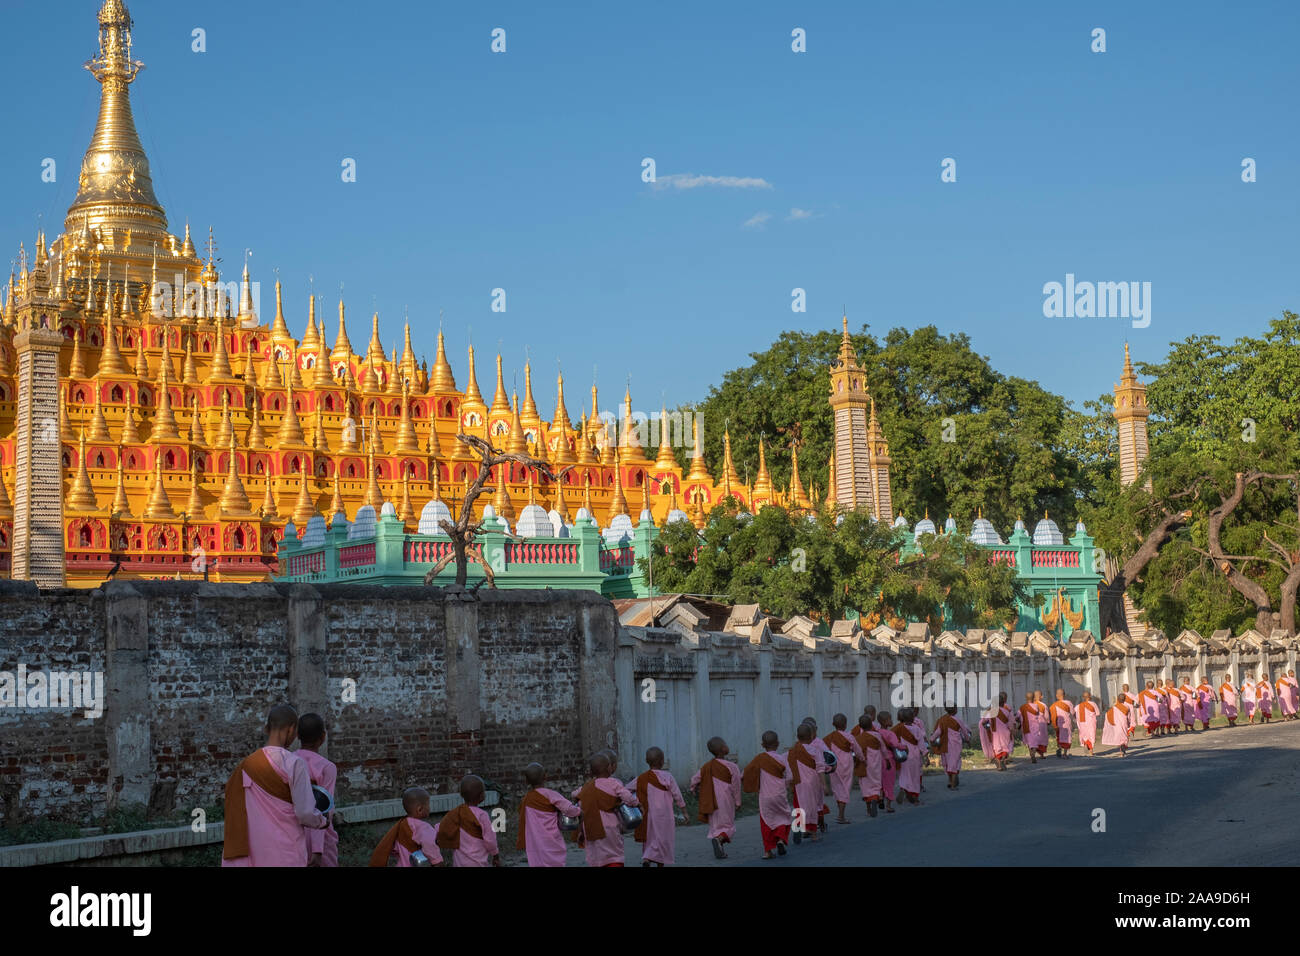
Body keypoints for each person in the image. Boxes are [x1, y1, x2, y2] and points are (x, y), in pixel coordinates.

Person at [222, 704, 328, 867]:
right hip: (287, 850)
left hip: (257, 851)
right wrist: (322, 821)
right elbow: (304, 813)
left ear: (267, 728)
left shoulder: (248, 764)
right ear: (292, 729)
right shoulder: (294, 763)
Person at [573, 752, 638, 867]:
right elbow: (628, 797)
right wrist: (637, 804)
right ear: (609, 768)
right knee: (614, 854)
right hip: (610, 826)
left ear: (592, 772)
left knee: (596, 853)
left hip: (590, 827)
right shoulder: (614, 783)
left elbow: (575, 795)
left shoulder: (587, 787)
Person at [516, 762, 582, 867]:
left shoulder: (526, 800)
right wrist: (579, 810)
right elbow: (569, 809)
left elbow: (522, 814)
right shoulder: (550, 795)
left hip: (534, 844)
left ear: (526, 781)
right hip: (551, 841)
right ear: (545, 777)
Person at [293, 712, 337, 867]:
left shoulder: (289, 761)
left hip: (293, 834)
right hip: (321, 838)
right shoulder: (327, 767)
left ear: (297, 735)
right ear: (323, 737)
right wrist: (317, 851)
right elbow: (323, 809)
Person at [742, 731, 793, 860]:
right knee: (784, 816)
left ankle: (768, 851)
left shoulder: (759, 759)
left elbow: (745, 773)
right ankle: (781, 839)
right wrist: (785, 786)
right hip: (780, 795)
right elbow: (790, 777)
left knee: (766, 821)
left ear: (762, 744)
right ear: (778, 744)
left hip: (765, 797)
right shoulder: (782, 759)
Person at [632, 746, 686, 867]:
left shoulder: (641, 778)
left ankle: (646, 857)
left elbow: (626, 789)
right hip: (665, 816)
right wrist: (684, 810)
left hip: (649, 815)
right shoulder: (667, 777)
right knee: (663, 838)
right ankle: (659, 862)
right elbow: (677, 794)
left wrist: (631, 800)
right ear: (662, 761)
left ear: (647, 761)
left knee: (650, 837)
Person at [690, 737, 742, 859]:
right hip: (725, 801)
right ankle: (719, 840)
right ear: (724, 749)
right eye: (725, 743)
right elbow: (736, 785)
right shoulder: (731, 766)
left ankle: (720, 849)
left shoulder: (707, 766)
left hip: (711, 801)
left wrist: (693, 790)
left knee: (716, 827)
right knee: (729, 826)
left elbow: (694, 779)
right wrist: (738, 801)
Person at [433, 774, 500, 867]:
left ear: (461, 795)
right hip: (478, 863)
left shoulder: (456, 813)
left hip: (459, 863)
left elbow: (442, 827)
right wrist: (495, 855)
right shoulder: (482, 815)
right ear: (481, 796)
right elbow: (490, 840)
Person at [369, 787, 442, 867]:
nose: (429, 808)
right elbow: (430, 845)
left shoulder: (402, 825)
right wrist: (437, 862)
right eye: (428, 804)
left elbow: (395, 849)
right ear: (420, 809)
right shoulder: (423, 827)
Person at [787, 723, 828, 841]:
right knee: (812, 807)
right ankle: (813, 834)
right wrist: (824, 784)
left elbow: (789, 768)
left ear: (797, 737)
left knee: (799, 806)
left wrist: (789, 784)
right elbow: (820, 767)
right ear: (811, 737)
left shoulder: (792, 751)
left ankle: (799, 828)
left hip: (798, 783)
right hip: (813, 783)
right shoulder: (815, 750)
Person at [824, 713, 865, 824]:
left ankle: (840, 813)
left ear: (833, 724)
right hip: (846, 765)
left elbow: (823, 750)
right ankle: (841, 816)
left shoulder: (830, 737)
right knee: (845, 789)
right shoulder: (849, 736)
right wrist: (862, 758)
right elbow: (857, 750)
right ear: (846, 725)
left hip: (833, 766)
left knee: (838, 789)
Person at [928, 704, 970, 789]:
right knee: (955, 763)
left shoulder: (942, 720)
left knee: (948, 763)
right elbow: (965, 731)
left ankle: (950, 781)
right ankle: (953, 785)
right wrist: (968, 740)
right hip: (956, 746)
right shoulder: (958, 720)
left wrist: (932, 739)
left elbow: (938, 731)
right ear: (955, 709)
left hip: (945, 745)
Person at [891, 708, 924, 804]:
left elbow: (891, 738)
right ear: (913, 718)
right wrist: (925, 755)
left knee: (905, 774)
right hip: (915, 755)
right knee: (915, 776)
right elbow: (921, 743)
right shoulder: (917, 728)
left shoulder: (898, 728)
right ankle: (916, 798)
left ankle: (904, 788)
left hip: (904, 756)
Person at [853, 713, 885, 816]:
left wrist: (861, 760)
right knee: (876, 781)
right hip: (876, 763)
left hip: (864, 764)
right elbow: (883, 748)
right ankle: (877, 797)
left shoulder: (858, 738)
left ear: (860, 726)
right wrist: (888, 759)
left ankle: (868, 809)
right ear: (872, 725)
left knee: (865, 784)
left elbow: (856, 752)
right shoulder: (877, 735)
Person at [982, 692, 1014, 771]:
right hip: (1005, 733)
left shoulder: (990, 711)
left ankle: (999, 763)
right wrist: (1012, 731)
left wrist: (987, 727)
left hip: (994, 734)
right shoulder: (1007, 711)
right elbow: (1011, 724)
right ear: (1003, 703)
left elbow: (983, 721)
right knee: (1005, 748)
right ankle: (1003, 759)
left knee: (997, 749)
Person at [876, 710, 900, 812]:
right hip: (889, 759)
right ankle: (888, 806)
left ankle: (881, 797)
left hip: (877, 760)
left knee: (881, 781)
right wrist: (905, 747)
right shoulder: (890, 734)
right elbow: (896, 745)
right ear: (885, 721)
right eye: (890, 719)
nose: (892, 720)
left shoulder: (876, 733)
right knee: (889, 782)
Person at [1020, 692, 1048, 763]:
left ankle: (1031, 754)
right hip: (1035, 726)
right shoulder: (1036, 706)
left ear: (1026, 698)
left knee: (1030, 742)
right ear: (1033, 698)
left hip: (1026, 727)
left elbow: (1018, 715)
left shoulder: (1022, 707)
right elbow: (1038, 714)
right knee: (1035, 741)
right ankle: (1033, 754)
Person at [1049, 689, 1074, 758]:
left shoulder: (1053, 705)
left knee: (1059, 737)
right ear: (1064, 695)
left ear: (1057, 696)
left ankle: (1059, 748)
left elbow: (1053, 716)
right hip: (1067, 723)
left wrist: (1054, 725)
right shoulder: (1069, 703)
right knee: (1067, 738)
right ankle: (1065, 753)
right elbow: (1072, 712)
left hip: (1058, 724)